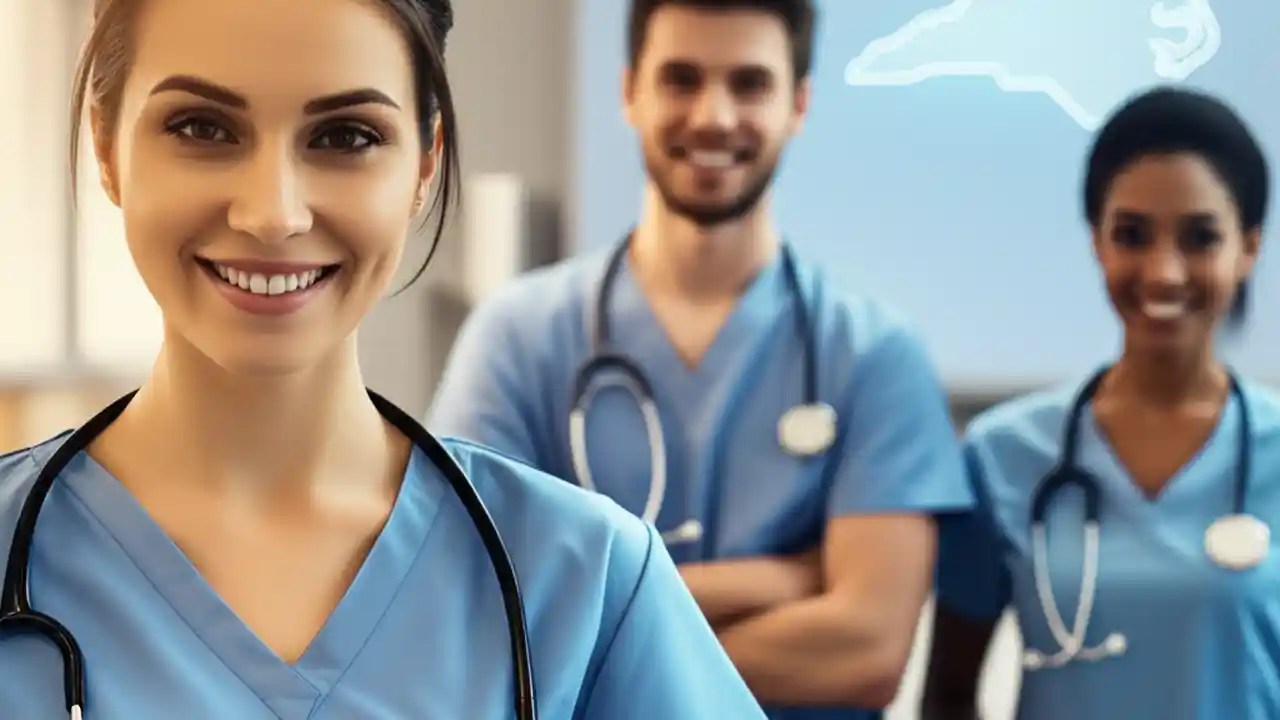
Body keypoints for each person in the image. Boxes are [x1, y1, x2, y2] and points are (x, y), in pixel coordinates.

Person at [0, 0, 771, 718]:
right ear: (105, 146)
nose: (273, 214)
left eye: (345, 137)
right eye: (202, 128)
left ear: (424, 165)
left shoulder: (589, 585)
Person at [428, 1, 973, 717]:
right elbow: (475, 612)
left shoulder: (874, 354)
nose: (714, 116)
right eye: (681, 79)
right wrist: (783, 581)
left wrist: (603, 631)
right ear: (630, 92)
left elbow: (867, 654)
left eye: (749, 84)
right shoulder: (519, 338)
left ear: (798, 104)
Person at [922, 86, 1275, 720]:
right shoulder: (1004, 456)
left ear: (1249, 247)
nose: (1164, 272)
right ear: (1096, 240)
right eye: (1132, 234)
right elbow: (947, 696)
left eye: (1199, 237)